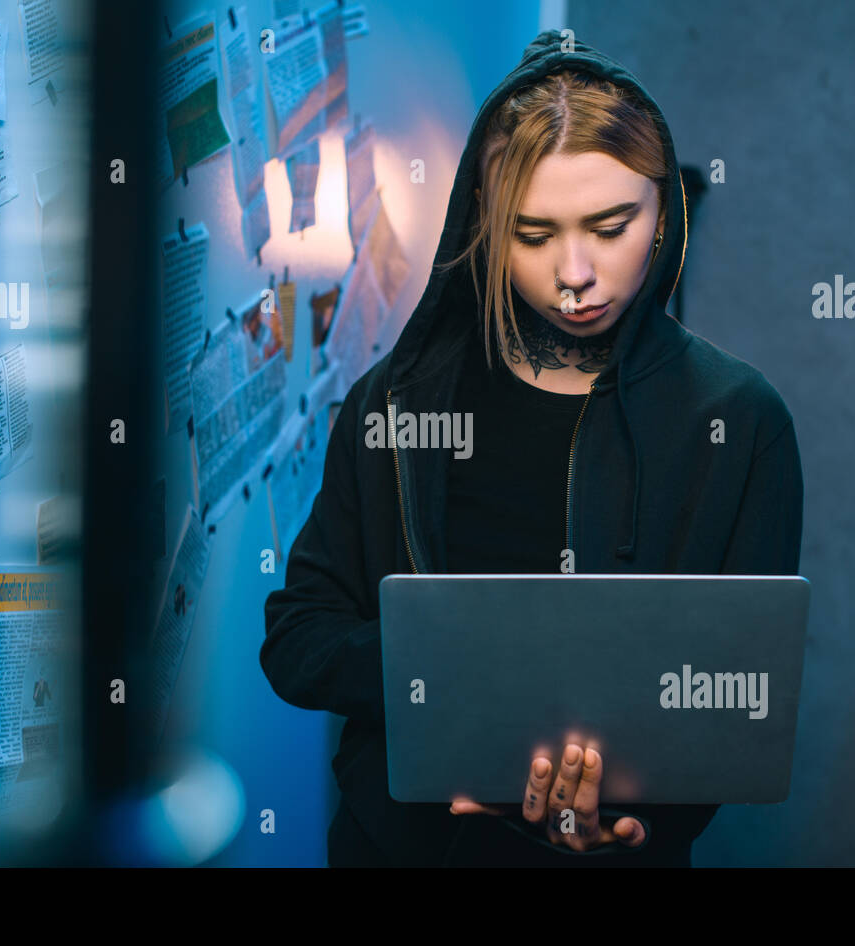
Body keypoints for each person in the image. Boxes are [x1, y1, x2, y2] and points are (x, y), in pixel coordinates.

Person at [262, 30, 803, 867]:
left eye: (612, 224)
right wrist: (461, 670)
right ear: (486, 226)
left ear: (666, 214)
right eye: (534, 234)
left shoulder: (739, 421)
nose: (576, 272)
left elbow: (738, 694)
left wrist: (633, 824)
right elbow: (297, 640)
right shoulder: (395, 403)